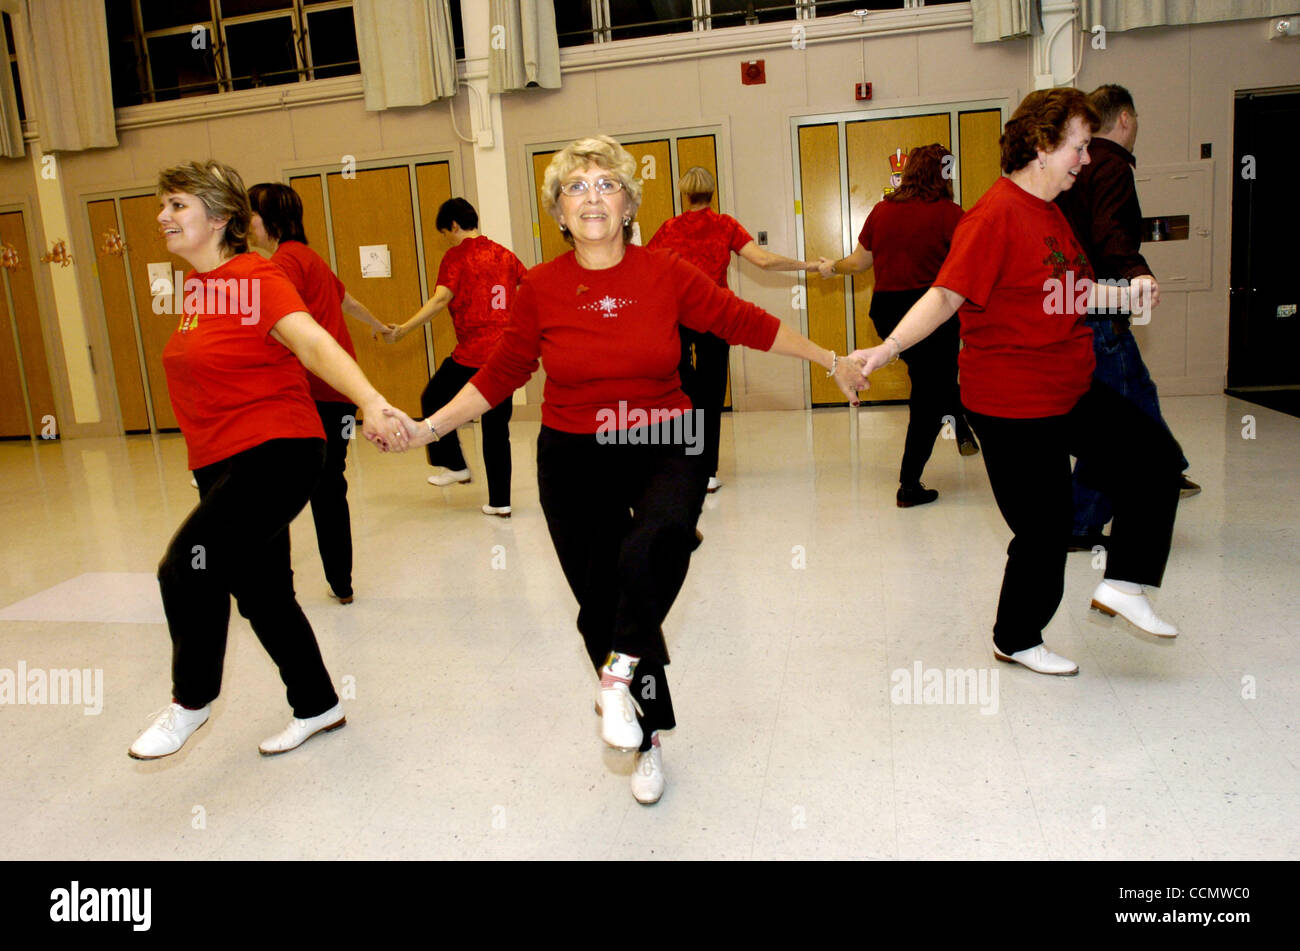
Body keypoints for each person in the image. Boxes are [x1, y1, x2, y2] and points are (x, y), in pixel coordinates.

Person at [386, 136, 864, 804]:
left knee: (656, 543)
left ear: (629, 203)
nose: (592, 197)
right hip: (573, 452)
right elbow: (500, 374)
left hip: (665, 435)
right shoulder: (541, 287)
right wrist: (427, 428)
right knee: (601, 607)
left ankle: (616, 678)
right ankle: (644, 735)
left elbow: (741, 319)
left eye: (606, 184)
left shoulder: (664, 272)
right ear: (557, 208)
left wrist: (829, 357)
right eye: (576, 187)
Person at [847, 90, 1184, 677]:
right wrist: (888, 347)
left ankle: (1125, 583)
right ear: (1042, 145)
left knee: (1155, 459)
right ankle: (1016, 636)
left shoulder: (1053, 210)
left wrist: (1124, 293)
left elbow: (1063, 291)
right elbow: (947, 294)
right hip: (1012, 403)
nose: (1086, 159)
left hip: (1070, 385)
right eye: (1079, 147)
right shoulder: (994, 215)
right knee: (1045, 530)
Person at [129, 160, 408, 761]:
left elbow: (310, 339)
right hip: (220, 461)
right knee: (262, 594)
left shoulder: (255, 274)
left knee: (185, 566)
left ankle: (191, 702)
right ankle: (318, 705)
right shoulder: (201, 289)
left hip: (274, 451)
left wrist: (372, 403)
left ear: (221, 217)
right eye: (163, 205)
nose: (163, 216)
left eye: (178, 205)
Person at [1055, 84, 1199, 553]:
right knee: (1113, 424)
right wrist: (1138, 275)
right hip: (1102, 306)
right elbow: (1110, 233)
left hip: (1082, 304)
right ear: (1125, 119)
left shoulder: (1074, 172)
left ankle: (1165, 466)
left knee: (1138, 391)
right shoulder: (1111, 164)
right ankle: (1081, 524)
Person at [247, 182, 390, 603]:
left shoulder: (284, 264)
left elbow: (286, 329)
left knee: (279, 489)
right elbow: (347, 301)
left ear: (269, 219)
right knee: (330, 486)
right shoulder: (310, 257)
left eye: (251, 215)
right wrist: (378, 323)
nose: (246, 224)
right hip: (340, 394)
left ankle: (277, 588)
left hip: (310, 392)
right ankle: (341, 584)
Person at [817, 143, 979, 508]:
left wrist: (832, 267)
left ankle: (960, 423)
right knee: (930, 394)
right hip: (930, 313)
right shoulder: (950, 214)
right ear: (943, 174)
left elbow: (859, 263)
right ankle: (909, 484)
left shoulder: (881, 211)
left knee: (932, 381)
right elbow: (969, 265)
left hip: (887, 312)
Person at [647, 166, 819, 495]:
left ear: (685, 193)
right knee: (710, 397)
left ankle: (684, 466)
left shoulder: (669, 228)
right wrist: (807, 265)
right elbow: (764, 261)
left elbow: (646, 266)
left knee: (683, 395)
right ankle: (707, 473)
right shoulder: (724, 224)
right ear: (712, 193)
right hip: (716, 317)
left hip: (678, 320)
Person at [386, 199, 525, 517]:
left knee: (433, 397)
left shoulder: (456, 256)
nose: (447, 238)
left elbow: (441, 299)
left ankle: (453, 463)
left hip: (473, 355)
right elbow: (528, 288)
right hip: (505, 356)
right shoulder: (504, 254)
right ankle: (500, 502)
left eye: (445, 232)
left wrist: (404, 329)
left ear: (453, 226)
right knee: (494, 429)